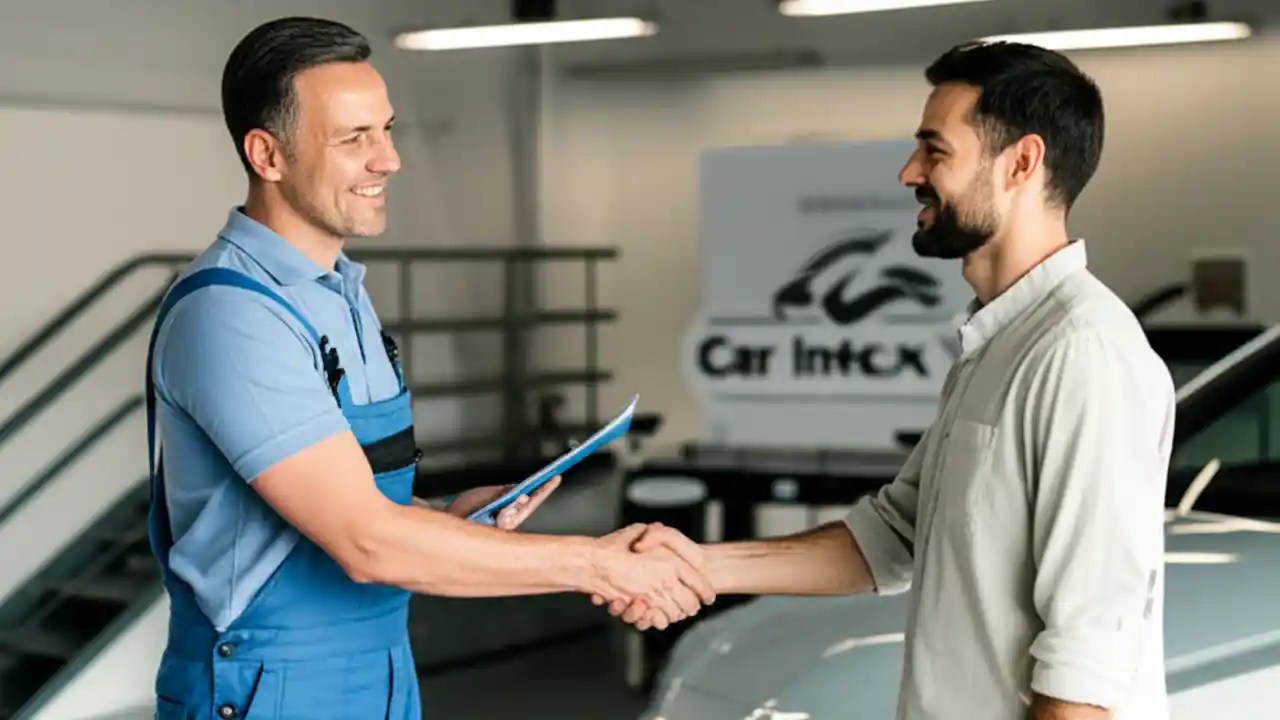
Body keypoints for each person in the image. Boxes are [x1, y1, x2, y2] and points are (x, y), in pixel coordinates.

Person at [145, 16, 713, 720]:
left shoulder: (342, 295)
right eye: (356, 139)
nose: (389, 160)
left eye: (386, 130)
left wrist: (445, 519)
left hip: (378, 668)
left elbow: (345, 505)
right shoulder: (232, 316)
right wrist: (598, 563)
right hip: (270, 685)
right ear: (268, 154)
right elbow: (365, 541)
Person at [607, 41, 1175, 720]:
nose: (910, 172)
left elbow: (1087, 662)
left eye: (936, 151)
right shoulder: (997, 342)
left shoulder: (1083, 354)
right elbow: (895, 536)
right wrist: (697, 564)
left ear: (1021, 162)